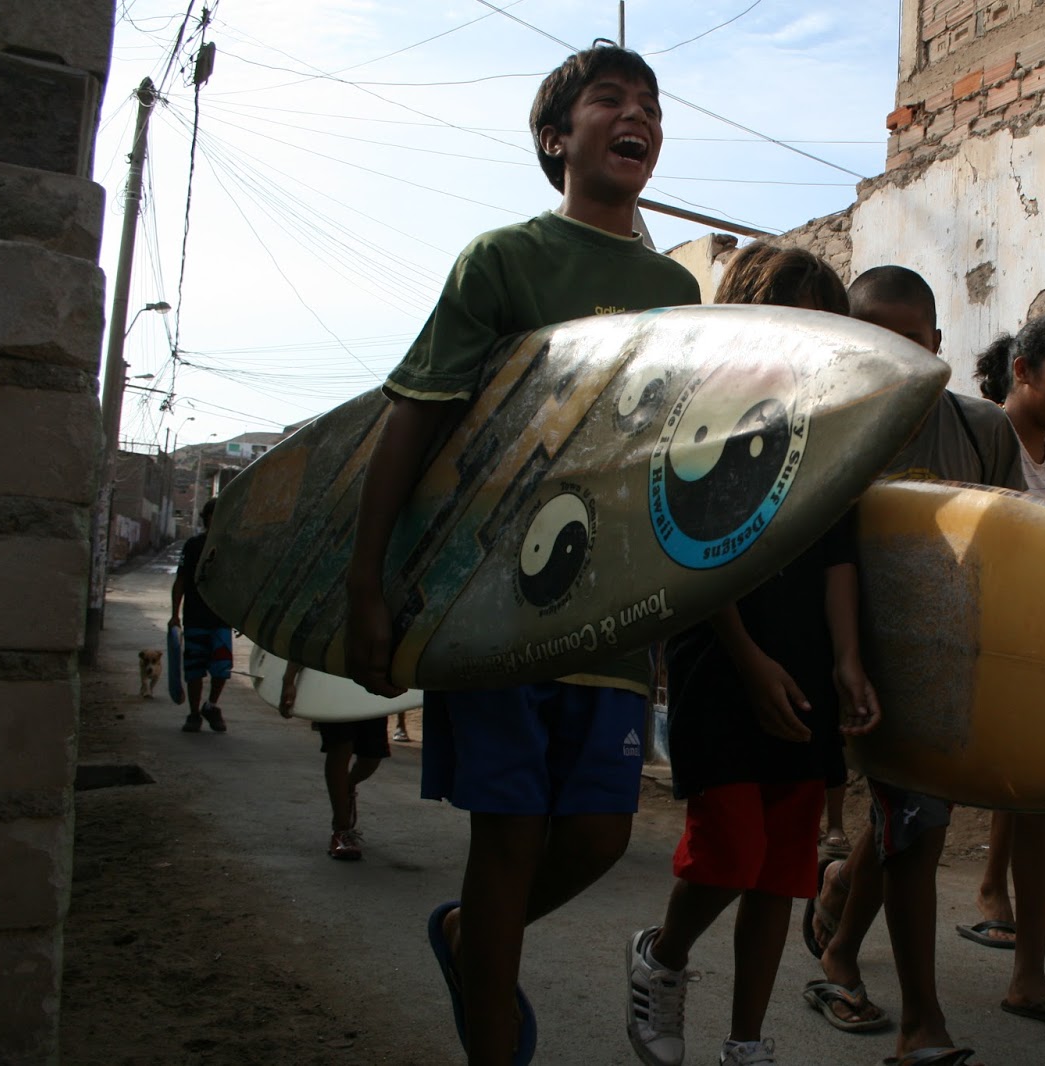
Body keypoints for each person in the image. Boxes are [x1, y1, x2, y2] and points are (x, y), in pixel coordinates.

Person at [343, 44, 700, 1066]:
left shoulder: (674, 286)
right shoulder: (503, 259)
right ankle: (493, 1036)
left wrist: (672, 602)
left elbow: (669, 463)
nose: (638, 118)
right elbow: (411, 417)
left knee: (593, 836)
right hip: (492, 593)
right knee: (506, 833)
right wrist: (370, 584)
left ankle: (470, 942)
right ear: (557, 138)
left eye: (651, 106)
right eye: (609, 101)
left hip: (612, 604)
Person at [625, 244, 881, 1066]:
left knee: (783, 870)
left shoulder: (830, 417)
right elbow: (689, 549)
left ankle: (746, 1042)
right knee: (731, 850)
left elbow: (839, 552)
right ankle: (662, 957)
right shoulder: (703, 413)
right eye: (797, 311)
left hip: (806, 655)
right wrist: (746, 656)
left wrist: (845, 661)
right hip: (720, 649)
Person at [803, 265, 1023, 1066]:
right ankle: (921, 1024)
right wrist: (840, 659)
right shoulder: (833, 425)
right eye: (874, 336)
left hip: (951, 659)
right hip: (863, 663)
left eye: (912, 338)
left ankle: (835, 926)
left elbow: (1004, 547)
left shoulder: (981, 432)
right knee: (916, 830)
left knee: (911, 823)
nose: (895, 352)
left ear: (938, 343)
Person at [948, 313, 1045, 1030]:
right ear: (1023, 370)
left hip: (1034, 663)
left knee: (1042, 808)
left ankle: (1030, 978)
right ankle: (841, 915)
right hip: (967, 658)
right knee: (920, 809)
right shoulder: (981, 435)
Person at [276, 662, 388, 861]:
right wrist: (289, 681)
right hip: (332, 682)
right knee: (340, 749)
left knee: (371, 759)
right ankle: (341, 829)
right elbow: (305, 639)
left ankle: (346, 788)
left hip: (371, 685)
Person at [169, 496, 232, 734]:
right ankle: (194, 713)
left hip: (222, 619)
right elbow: (181, 581)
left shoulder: (232, 548)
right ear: (206, 518)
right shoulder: (193, 546)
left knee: (222, 668)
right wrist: (174, 615)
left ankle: (211, 706)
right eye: (214, 515)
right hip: (195, 617)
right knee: (194, 669)